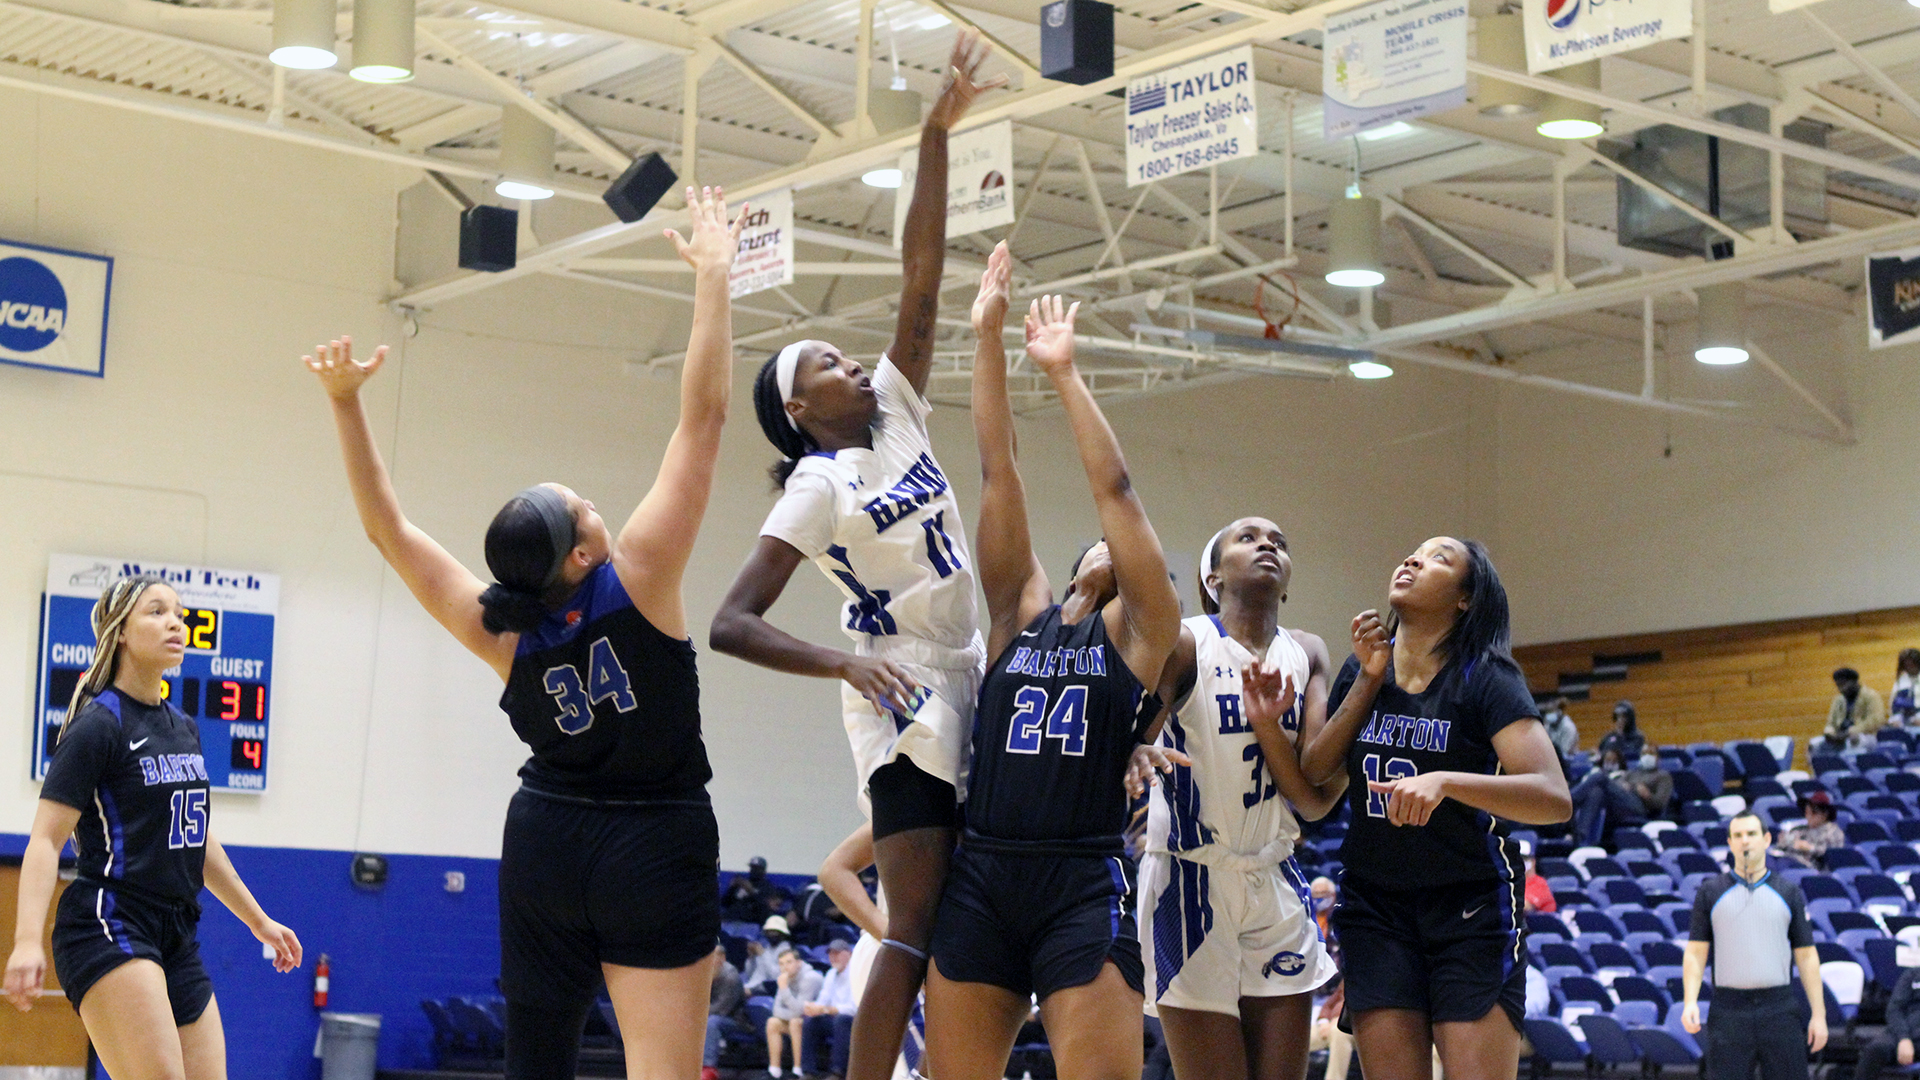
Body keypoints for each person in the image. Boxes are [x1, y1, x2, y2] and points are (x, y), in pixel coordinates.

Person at [304, 187, 745, 1080]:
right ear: (582, 554)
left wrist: (346, 403)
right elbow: (702, 418)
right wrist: (714, 277)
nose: (597, 504)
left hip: (547, 841)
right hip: (655, 839)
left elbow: (388, 531)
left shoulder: (499, 629)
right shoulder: (640, 577)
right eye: (586, 506)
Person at [708, 33, 1006, 1080]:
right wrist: (843, 663)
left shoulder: (900, 415)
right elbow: (729, 622)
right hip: (900, 686)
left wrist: (936, 135)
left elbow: (921, 271)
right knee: (912, 924)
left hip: (972, 666)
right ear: (800, 410)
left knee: (976, 910)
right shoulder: (819, 483)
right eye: (830, 365)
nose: (854, 365)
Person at [920, 263, 1182, 1080]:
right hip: (983, 873)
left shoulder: (1141, 636)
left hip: (1079, 878)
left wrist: (1064, 374)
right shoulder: (1017, 615)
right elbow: (998, 467)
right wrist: (987, 337)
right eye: (1098, 546)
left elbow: (1118, 491)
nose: (1112, 546)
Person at [3, 576, 303, 1080]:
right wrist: (27, 940)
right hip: (110, 921)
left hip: (176, 930)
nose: (175, 624)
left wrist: (258, 921)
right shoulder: (98, 726)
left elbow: (196, 839)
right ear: (120, 631)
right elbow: (45, 840)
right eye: (157, 612)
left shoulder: (183, 727)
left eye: (179, 614)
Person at [1297, 538, 1573, 1080]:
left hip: (1469, 906)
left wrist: (1445, 782)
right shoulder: (1363, 670)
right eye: (1413, 553)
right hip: (1376, 907)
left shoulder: (1486, 676)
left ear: (1465, 599)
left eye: (1438, 558)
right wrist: (1368, 677)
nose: (1413, 560)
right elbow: (1317, 772)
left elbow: (1553, 796)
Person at [1138, 519, 1340, 1080]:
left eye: (1280, 540)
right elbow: (1137, 732)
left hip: (1274, 876)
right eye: (1248, 538)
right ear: (1213, 576)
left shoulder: (1307, 651)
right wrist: (1135, 748)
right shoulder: (1186, 642)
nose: (1268, 543)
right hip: (1189, 878)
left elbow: (1314, 790)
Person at [1681, 811, 1826, 1080]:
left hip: (1779, 1009)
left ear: (1766, 840)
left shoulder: (1789, 892)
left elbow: (1807, 956)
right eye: (1738, 835)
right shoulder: (1710, 892)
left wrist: (1819, 1015)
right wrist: (1690, 1001)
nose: (1745, 841)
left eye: (1751, 834)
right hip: (1728, 1011)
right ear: (1730, 843)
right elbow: (1695, 952)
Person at [1855, 952, 1920, 1080]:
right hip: (1903, 1033)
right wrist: (1904, 1038)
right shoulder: (1911, 975)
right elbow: (1894, 1009)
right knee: (1875, 1049)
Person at [805, 939, 860, 1078]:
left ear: (849, 954)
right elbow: (823, 999)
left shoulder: (857, 973)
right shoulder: (830, 973)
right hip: (834, 1018)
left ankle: (837, 1071)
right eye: (830, 954)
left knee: (841, 1020)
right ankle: (808, 1071)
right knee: (810, 1022)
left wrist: (826, 1009)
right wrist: (813, 1008)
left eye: (837, 953)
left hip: (854, 1021)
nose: (833, 957)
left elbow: (854, 1008)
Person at [768, 946, 824, 1079]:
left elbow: (800, 1012)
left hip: (817, 1023)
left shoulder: (811, 978)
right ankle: (774, 1071)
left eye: (789, 962)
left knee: (795, 1022)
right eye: (781, 964)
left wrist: (784, 988)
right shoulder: (784, 978)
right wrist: (791, 1010)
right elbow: (775, 1010)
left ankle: (798, 1070)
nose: (785, 967)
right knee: (773, 1022)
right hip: (797, 1020)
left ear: (799, 963)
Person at [704, 944, 751, 1080]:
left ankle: (708, 1067)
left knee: (711, 1022)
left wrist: (696, 1015)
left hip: (737, 1021)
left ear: (722, 958)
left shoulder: (731, 977)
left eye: (712, 957)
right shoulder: (704, 974)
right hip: (713, 1015)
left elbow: (722, 1009)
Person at [1777, 791, 1844, 871]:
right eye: (1806, 812)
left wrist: (1808, 847)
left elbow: (1830, 854)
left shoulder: (1834, 832)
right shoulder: (1801, 829)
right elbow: (1784, 842)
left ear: (1825, 814)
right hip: (1792, 866)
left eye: (1813, 812)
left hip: (1817, 871)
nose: (1808, 816)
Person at [1826, 667, 1886, 749]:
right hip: (1840, 735)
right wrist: (1829, 732)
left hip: (1865, 736)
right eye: (1838, 685)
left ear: (1854, 682)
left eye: (1843, 685)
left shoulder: (1871, 696)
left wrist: (1850, 732)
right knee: (1815, 744)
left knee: (1853, 741)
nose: (1841, 689)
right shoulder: (1838, 700)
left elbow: (1876, 720)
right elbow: (1831, 723)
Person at [726, 857, 794, 923]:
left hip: (751, 919)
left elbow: (765, 906)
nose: (753, 871)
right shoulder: (742, 883)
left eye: (757, 869)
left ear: (763, 870)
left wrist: (751, 891)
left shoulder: (767, 887)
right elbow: (725, 903)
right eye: (752, 868)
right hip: (731, 917)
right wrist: (731, 888)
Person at [1520, 843, 1556, 915]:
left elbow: (1526, 906)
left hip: (1542, 921)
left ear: (1533, 861)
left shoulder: (1540, 883)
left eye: (1523, 859)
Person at [1891, 649, 1920, 727]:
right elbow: (1894, 704)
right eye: (1906, 665)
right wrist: (1895, 719)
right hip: (1904, 720)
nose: (1909, 667)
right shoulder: (1900, 681)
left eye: (1912, 664)